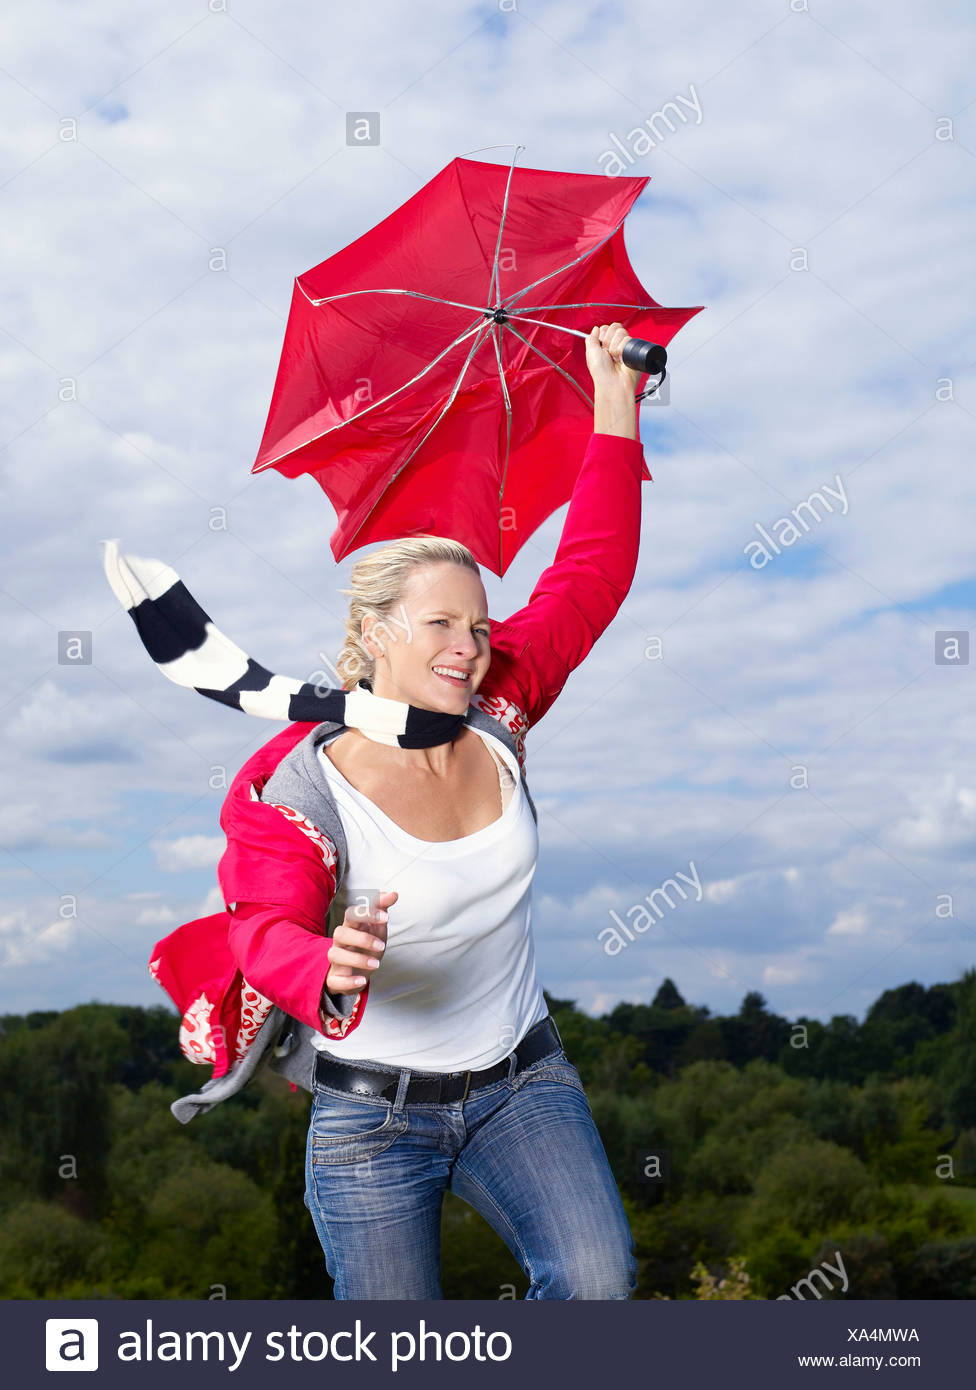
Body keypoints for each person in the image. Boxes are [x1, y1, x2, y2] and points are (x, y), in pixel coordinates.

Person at [223, 322, 646, 1299]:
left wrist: (614, 401)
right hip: (370, 1120)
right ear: (373, 632)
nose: (468, 647)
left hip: (521, 1084)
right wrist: (322, 961)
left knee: (596, 1288)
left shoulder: (498, 705)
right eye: (441, 625)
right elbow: (262, 929)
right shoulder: (298, 783)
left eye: (480, 626)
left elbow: (591, 571)